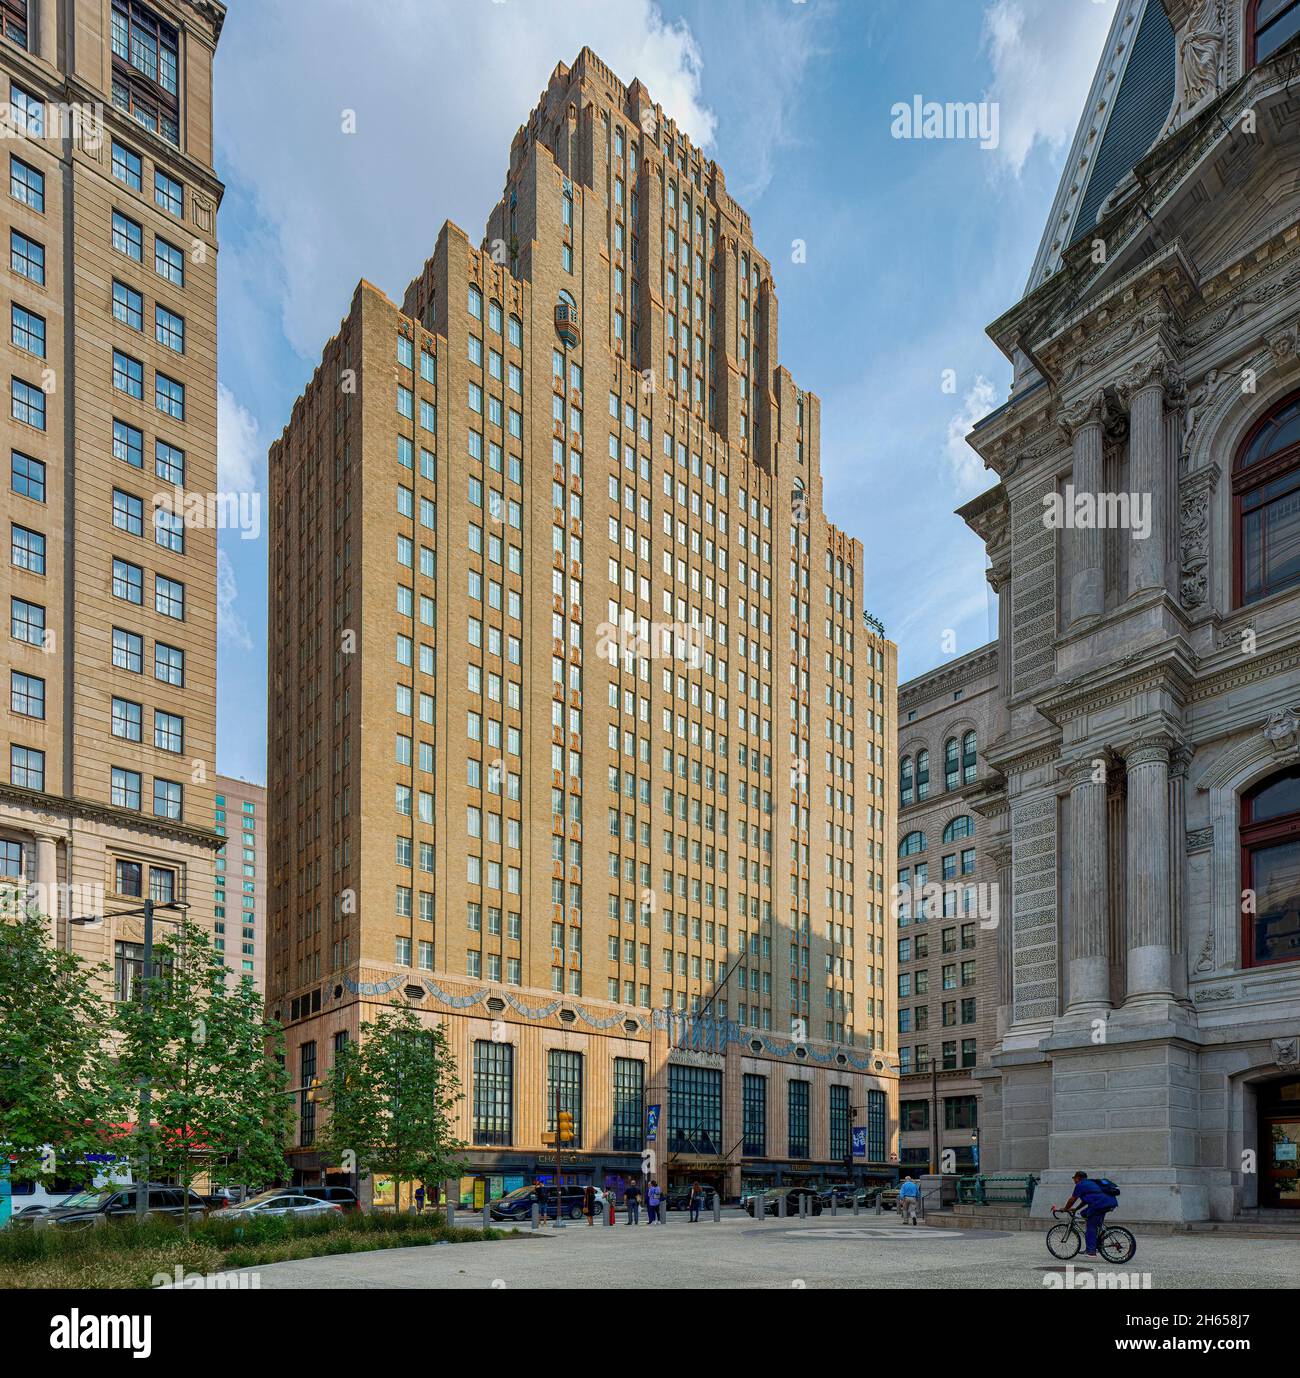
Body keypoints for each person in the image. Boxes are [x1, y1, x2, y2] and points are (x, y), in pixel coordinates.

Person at [1062, 1171, 1120, 1258]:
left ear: (1078, 1178)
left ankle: (1091, 1251)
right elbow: (1086, 1200)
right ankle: (1096, 1240)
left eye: (1074, 1178)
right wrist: (1076, 1209)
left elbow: (1072, 1199)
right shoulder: (1091, 1183)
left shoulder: (1080, 1185)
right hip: (1109, 1203)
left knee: (1090, 1226)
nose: (1074, 1180)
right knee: (1083, 1213)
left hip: (1099, 1204)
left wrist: (1065, 1208)